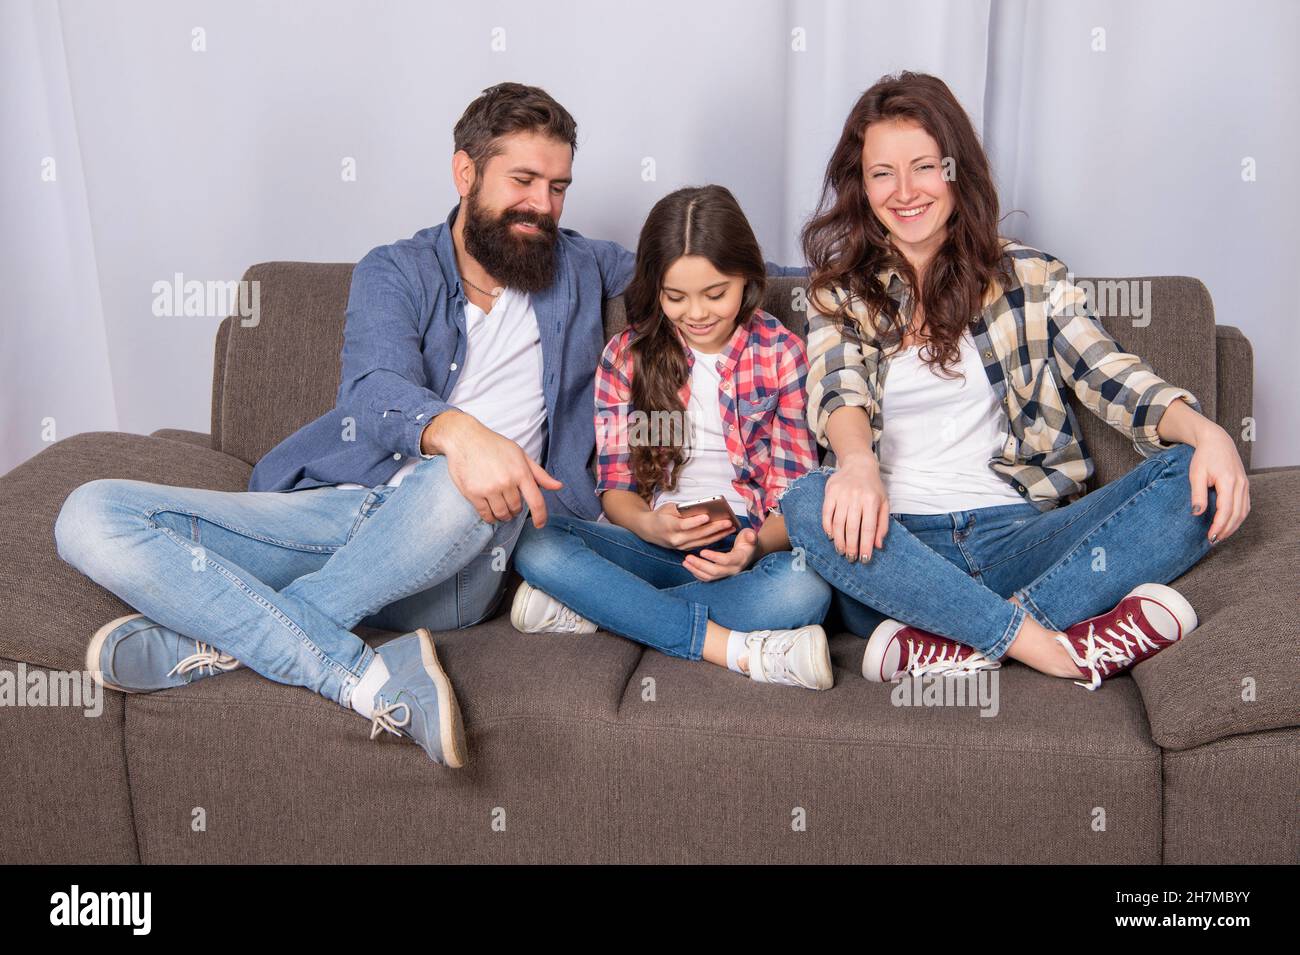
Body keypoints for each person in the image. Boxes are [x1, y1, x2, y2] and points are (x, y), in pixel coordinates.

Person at [54, 83, 805, 767]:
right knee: (88, 517)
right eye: (523, 181)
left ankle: (232, 635)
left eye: (558, 187)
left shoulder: (579, 268)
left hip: (472, 547)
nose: (542, 205)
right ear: (465, 174)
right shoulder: (396, 271)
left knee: (464, 486)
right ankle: (355, 671)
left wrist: (849, 286)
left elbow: (707, 265)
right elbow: (371, 392)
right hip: (347, 511)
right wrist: (460, 432)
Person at [778, 71, 1250, 691]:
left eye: (923, 166)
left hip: (1017, 537)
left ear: (955, 171)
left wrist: (1209, 432)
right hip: (895, 551)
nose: (904, 191)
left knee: (1193, 476)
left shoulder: (1031, 275)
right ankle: (1051, 648)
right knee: (807, 502)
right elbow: (838, 387)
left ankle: (955, 643)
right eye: (881, 173)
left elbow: (1108, 375)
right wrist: (857, 463)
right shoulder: (838, 292)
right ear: (861, 187)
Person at [510, 186, 833, 689]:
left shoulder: (782, 353)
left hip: (743, 548)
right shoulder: (628, 356)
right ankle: (732, 643)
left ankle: (601, 609)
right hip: (654, 544)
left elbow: (795, 496)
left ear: (747, 279)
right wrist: (650, 526)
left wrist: (750, 548)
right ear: (655, 287)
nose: (697, 313)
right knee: (535, 542)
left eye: (716, 293)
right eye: (675, 296)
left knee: (805, 591)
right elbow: (615, 486)